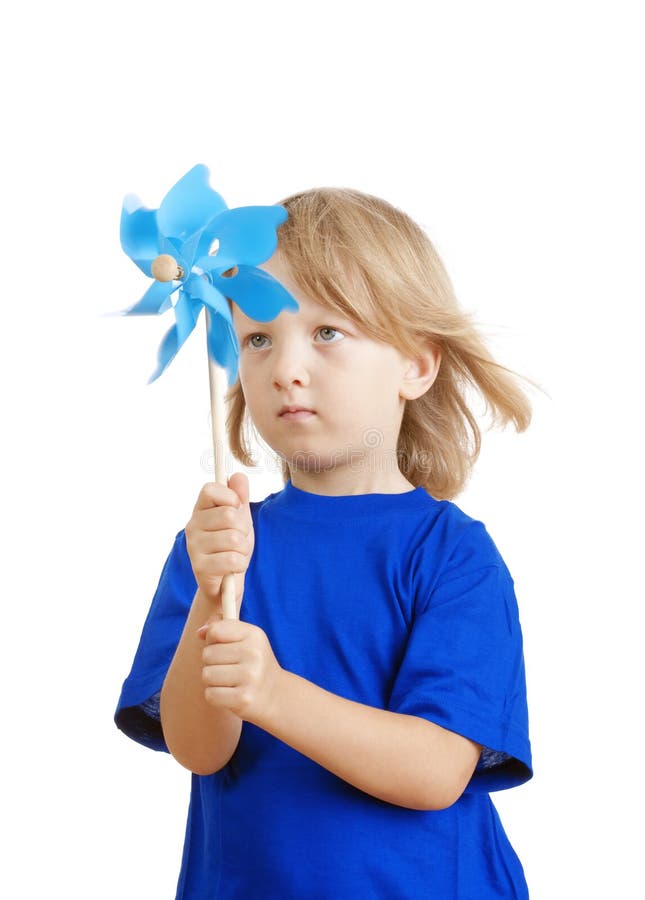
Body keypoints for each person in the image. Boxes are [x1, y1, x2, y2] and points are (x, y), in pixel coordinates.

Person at [115, 187, 538, 899]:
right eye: (257, 338)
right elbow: (197, 747)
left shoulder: (452, 557)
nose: (284, 367)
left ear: (416, 365)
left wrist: (274, 694)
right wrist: (214, 599)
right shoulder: (219, 544)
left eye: (328, 333)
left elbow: (435, 772)